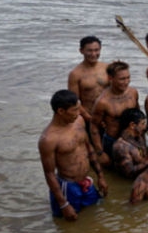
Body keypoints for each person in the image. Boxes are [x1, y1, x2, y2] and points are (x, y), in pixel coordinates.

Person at [38, 90, 108, 220]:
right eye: (74, 110)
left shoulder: (79, 122)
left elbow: (89, 149)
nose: (78, 113)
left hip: (86, 182)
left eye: (78, 108)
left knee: (94, 216)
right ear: (61, 111)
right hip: (68, 187)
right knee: (68, 223)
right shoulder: (48, 139)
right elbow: (49, 174)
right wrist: (63, 204)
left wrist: (100, 176)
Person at [89, 60, 140, 165]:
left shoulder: (133, 93)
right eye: (122, 79)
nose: (126, 82)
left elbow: (138, 116)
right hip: (112, 141)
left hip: (132, 139)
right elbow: (93, 126)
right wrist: (100, 152)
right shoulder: (102, 102)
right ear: (110, 79)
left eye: (128, 78)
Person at [66, 36, 108, 120]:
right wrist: (89, 118)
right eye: (90, 50)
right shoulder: (75, 74)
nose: (93, 54)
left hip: (108, 116)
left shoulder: (107, 68)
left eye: (96, 50)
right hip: (89, 116)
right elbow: (74, 102)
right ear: (81, 51)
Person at [110, 108, 148, 178]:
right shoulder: (121, 146)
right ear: (132, 125)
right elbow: (129, 172)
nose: (145, 127)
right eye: (143, 124)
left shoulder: (139, 136)